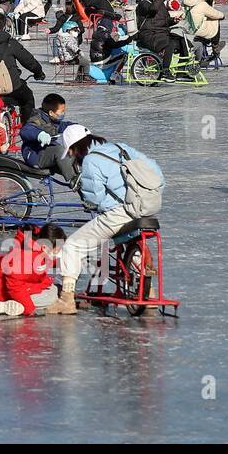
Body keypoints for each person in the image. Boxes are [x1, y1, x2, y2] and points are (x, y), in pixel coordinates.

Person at [45, 125, 164, 314]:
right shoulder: (120, 147)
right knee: (128, 237)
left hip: (120, 213)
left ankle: (66, 299)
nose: (71, 156)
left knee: (73, 246)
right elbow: (156, 171)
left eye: (71, 152)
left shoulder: (91, 161)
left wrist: (94, 204)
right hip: (146, 208)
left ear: (76, 147)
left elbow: (95, 199)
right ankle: (148, 292)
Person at [0, 225, 67, 317]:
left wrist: (61, 263)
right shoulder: (30, 256)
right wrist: (29, 309)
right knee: (53, 295)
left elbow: (46, 261)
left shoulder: (34, 247)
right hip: (3, 294)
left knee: (53, 288)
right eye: (57, 250)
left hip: (2, 289)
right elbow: (14, 284)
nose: (59, 253)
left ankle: (17, 305)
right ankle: (18, 305)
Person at [18, 93, 79, 182]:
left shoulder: (53, 120)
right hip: (34, 155)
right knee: (60, 151)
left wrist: (77, 127)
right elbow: (25, 130)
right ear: (51, 112)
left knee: (74, 151)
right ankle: (73, 180)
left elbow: (63, 126)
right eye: (61, 111)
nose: (63, 113)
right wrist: (39, 134)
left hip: (45, 152)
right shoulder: (36, 119)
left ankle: (80, 177)